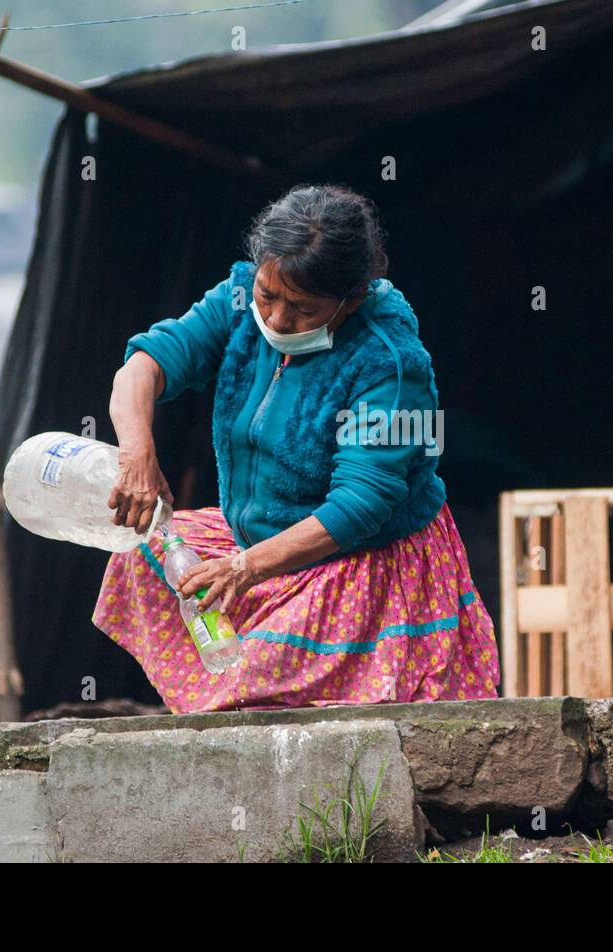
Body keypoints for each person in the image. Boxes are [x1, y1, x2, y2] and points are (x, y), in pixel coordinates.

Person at [93, 183, 500, 712]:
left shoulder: (390, 363)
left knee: (254, 678)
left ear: (351, 300)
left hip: (356, 558)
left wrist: (243, 570)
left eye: (305, 309)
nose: (279, 320)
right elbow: (143, 367)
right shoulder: (240, 299)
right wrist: (137, 455)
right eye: (269, 294)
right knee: (141, 553)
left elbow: (360, 506)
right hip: (257, 537)